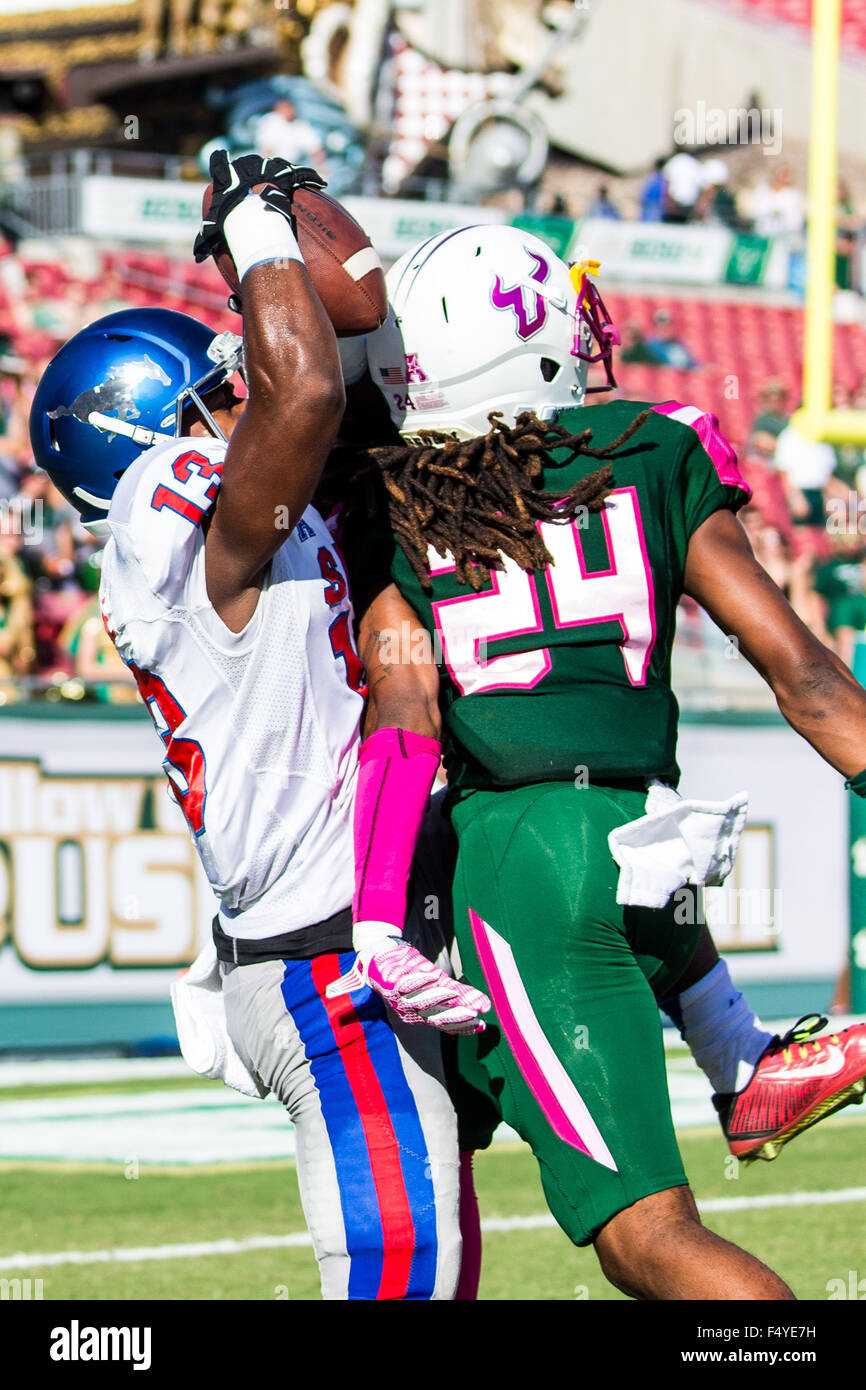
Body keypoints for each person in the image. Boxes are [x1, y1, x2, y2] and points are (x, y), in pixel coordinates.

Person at [335, 225, 866, 1298]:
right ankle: (742, 1060)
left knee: (649, 1240)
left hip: (517, 861)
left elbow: (405, 710)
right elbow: (801, 673)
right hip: (636, 839)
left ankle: (743, 1064)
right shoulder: (656, 444)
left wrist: (375, 916)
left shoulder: (395, 494)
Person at [28, 154, 490, 1301]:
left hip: (351, 943)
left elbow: (337, 387)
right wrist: (253, 225)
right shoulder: (167, 510)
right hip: (325, 968)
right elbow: (302, 398)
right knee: (402, 1283)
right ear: (152, 428)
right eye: (208, 391)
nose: (235, 392)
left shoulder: (253, 518)